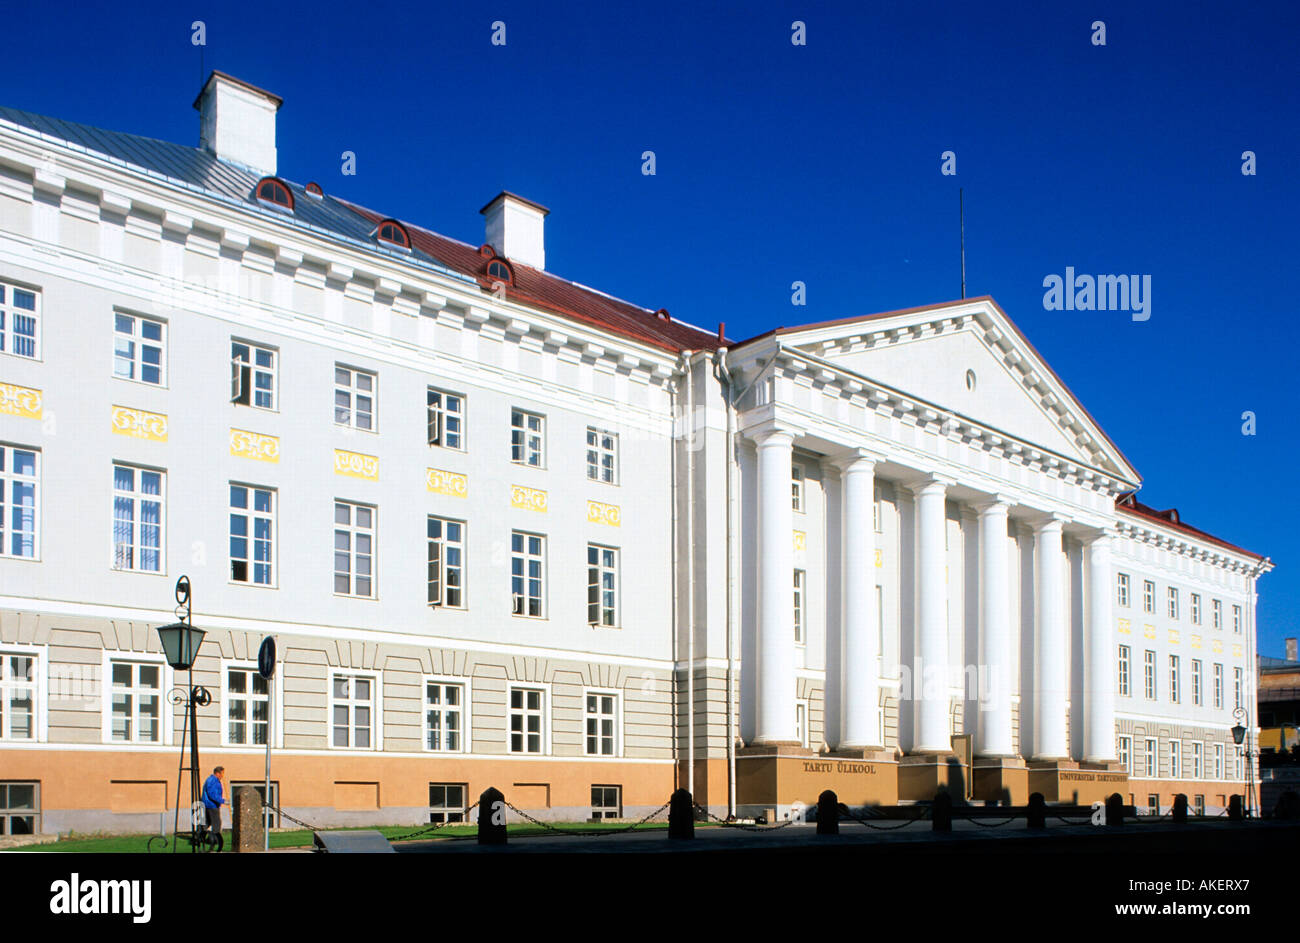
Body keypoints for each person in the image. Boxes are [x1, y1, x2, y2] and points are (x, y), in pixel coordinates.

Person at [201, 766, 226, 840]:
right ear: (217, 773)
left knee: (207, 822)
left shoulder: (211, 780)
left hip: (209, 804)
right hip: (212, 805)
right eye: (222, 773)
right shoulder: (213, 780)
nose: (222, 776)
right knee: (216, 823)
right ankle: (214, 840)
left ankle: (200, 837)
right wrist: (222, 801)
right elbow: (212, 794)